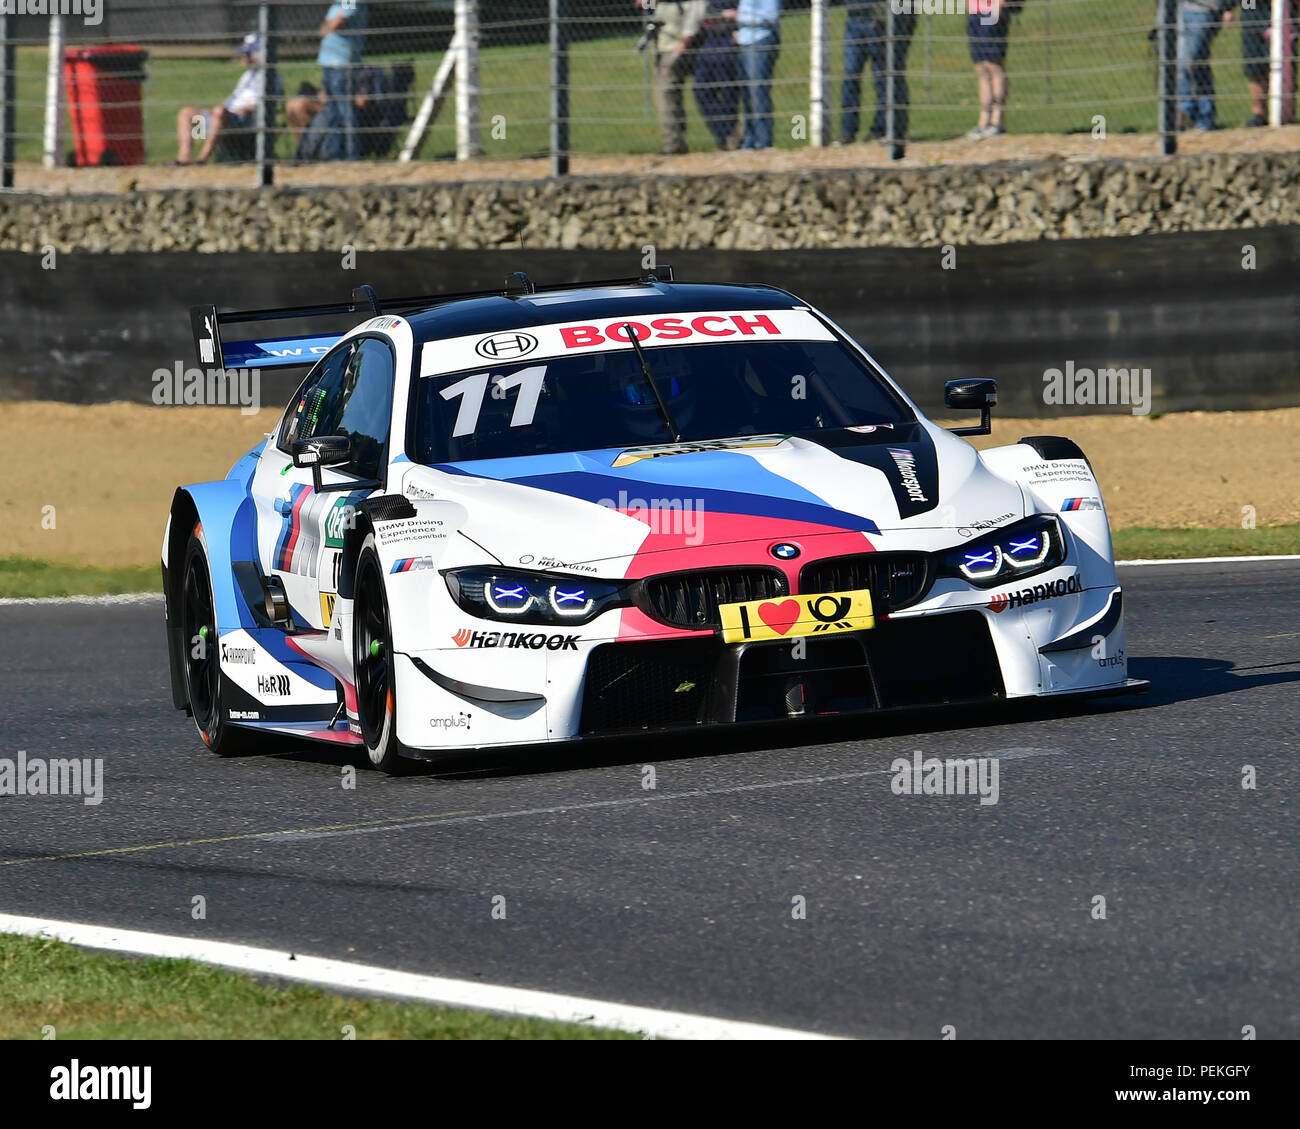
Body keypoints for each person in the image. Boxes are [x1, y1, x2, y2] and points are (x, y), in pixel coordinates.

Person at [174, 33, 275, 165]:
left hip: (244, 121)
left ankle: (202, 159)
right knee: (187, 113)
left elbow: (265, 104)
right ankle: (184, 159)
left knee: (220, 111)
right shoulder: (248, 75)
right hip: (224, 118)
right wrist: (216, 112)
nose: (245, 57)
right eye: (244, 54)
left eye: (249, 54)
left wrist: (231, 111)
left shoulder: (269, 76)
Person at [840, 1, 919, 144]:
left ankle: (882, 130)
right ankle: (847, 132)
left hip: (881, 20)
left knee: (884, 77)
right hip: (855, 18)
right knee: (851, 75)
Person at [638, 1, 707, 155]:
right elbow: (644, 5)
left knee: (667, 95)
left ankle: (673, 145)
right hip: (663, 46)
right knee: (668, 96)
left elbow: (693, 17)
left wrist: (683, 44)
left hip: (678, 47)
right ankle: (675, 141)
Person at [317, 1, 369, 161]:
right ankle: (335, 154)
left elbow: (338, 23)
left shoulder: (350, 1)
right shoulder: (336, 5)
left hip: (343, 64)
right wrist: (331, 24)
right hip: (328, 64)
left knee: (345, 112)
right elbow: (323, 29)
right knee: (332, 114)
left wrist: (332, 24)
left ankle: (352, 155)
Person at [1176, 0, 1237, 131]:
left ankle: (1200, 115)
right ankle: (1190, 113)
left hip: (1206, 10)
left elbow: (1249, 3)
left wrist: (1229, 8)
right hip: (1181, 9)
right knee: (1184, 64)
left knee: (1192, 61)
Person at [729, 0, 782, 149]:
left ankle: (763, 141)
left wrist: (739, 17)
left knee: (758, 92)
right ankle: (750, 140)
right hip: (744, 41)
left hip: (760, 41)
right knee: (746, 94)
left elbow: (771, 16)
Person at [966, 0, 1020, 139]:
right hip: (975, 10)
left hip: (992, 10)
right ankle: (984, 122)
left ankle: (997, 121)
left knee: (994, 65)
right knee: (981, 67)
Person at [693, 1, 741, 148]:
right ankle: (728, 132)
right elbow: (704, 16)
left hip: (728, 44)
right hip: (708, 44)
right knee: (701, 91)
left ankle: (726, 140)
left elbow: (743, 13)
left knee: (728, 94)